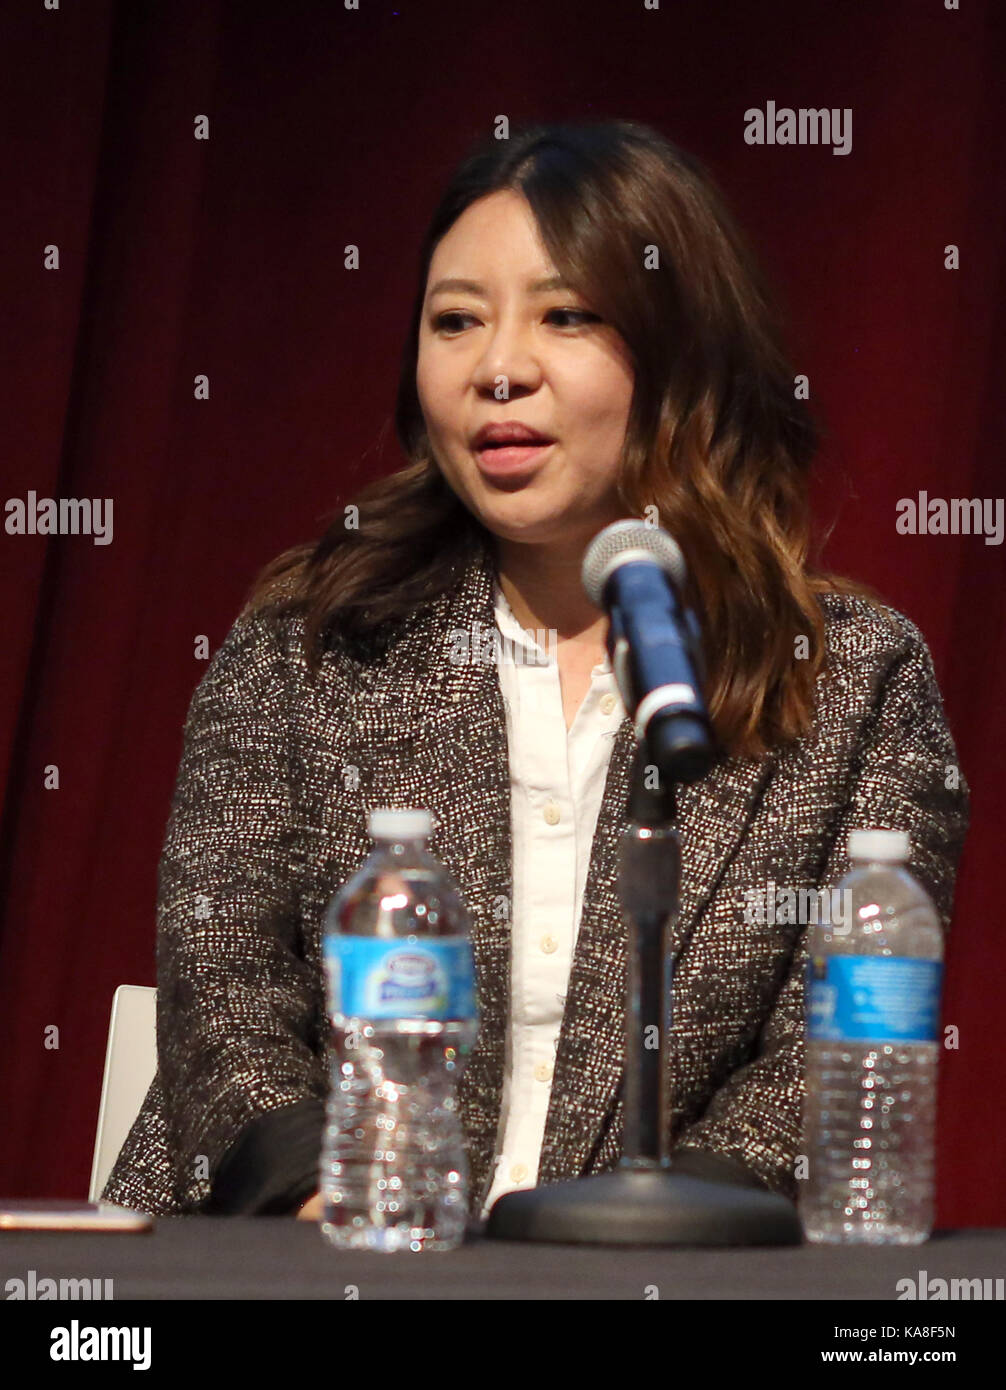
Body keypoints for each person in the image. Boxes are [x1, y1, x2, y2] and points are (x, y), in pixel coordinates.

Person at [101, 119, 969, 1222]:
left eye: (563, 316)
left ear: (680, 351)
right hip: (307, 1261)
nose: (498, 369)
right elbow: (222, 978)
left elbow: (822, 1060)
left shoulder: (855, 681)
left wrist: (621, 1247)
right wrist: (335, 1198)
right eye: (455, 321)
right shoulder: (308, 641)